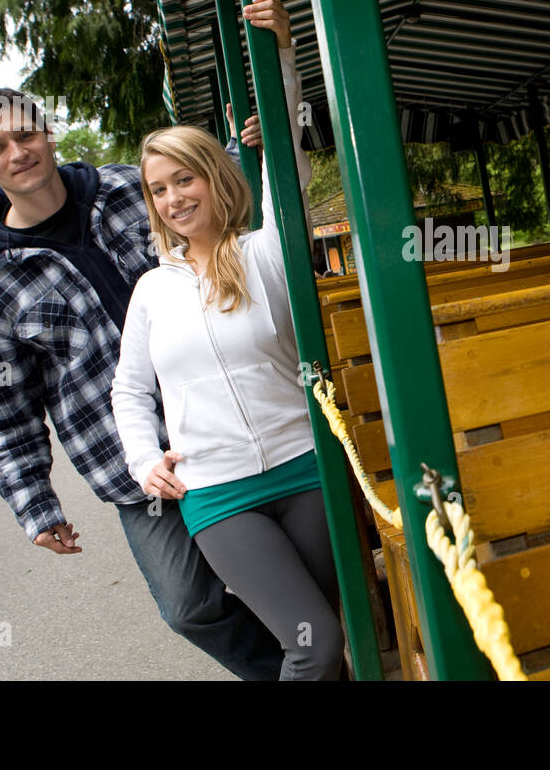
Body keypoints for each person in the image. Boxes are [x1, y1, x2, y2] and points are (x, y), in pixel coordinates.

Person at [0, 0, 296, 681]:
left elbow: (208, 205)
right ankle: (299, 666)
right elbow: (3, 409)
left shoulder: (127, 190)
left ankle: (313, 658)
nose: (17, 152)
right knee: (188, 606)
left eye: (26, 134)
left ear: (47, 132)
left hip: (231, 419)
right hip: (134, 464)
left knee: (299, 566)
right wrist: (34, 503)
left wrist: (248, 149)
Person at [110, 36, 345, 681]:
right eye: (158, 189)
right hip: (218, 493)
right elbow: (129, 389)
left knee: (330, 627)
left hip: (305, 467)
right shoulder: (153, 289)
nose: (172, 198)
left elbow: (289, 182)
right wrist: (141, 457)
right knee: (313, 645)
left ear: (213, 176)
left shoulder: (265, 253)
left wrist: (286, 67)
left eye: (183, 178)